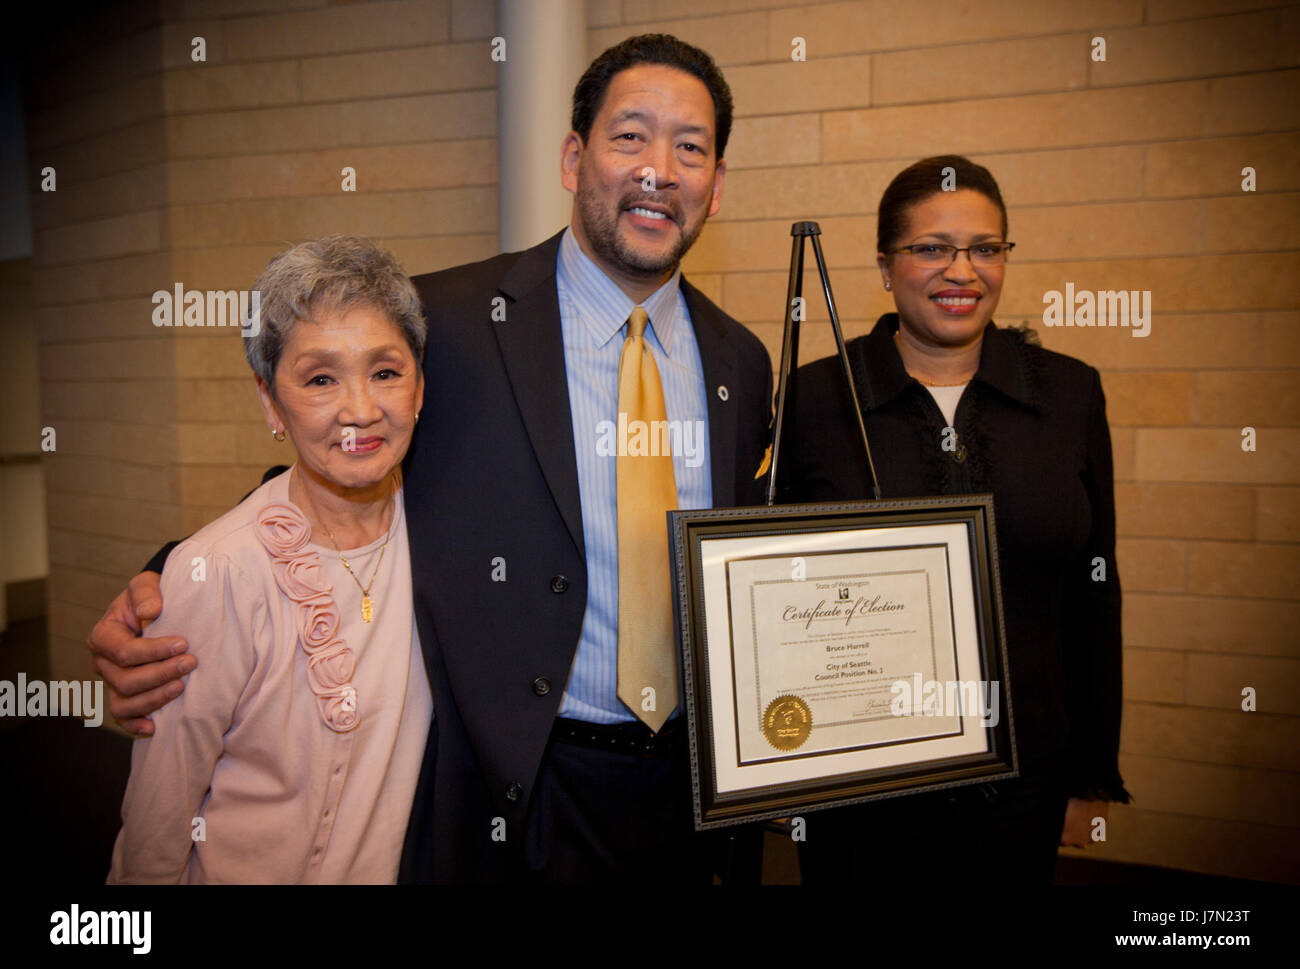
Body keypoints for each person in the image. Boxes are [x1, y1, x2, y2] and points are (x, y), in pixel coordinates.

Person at [89, 34, 773, 884]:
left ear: (716, 183)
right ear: (573, 156)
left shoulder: (740, 361)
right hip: (512, 788)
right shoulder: (452, 322)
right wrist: (171, 585)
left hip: (688, 792)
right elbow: (345, 452)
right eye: (630, 136)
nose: (659, 170)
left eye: (691, 148)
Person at [779, 155, 1129, 883]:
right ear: (885, 264)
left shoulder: (1069, 395)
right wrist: (779, 762)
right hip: (856, 786)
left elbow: (1094, 594)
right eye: (932, 248)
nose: (961, 270)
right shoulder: (815, 400)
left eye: (985, 248)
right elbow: (778, 599)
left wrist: (1089, 776)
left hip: (1023, 782)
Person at [108, 235, 430, 882]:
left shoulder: (449, 534)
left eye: (386, 372)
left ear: (420, 387)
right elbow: (158, 823)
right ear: (269, 401)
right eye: (319, 379)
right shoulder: (221, 573)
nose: (360, 410)